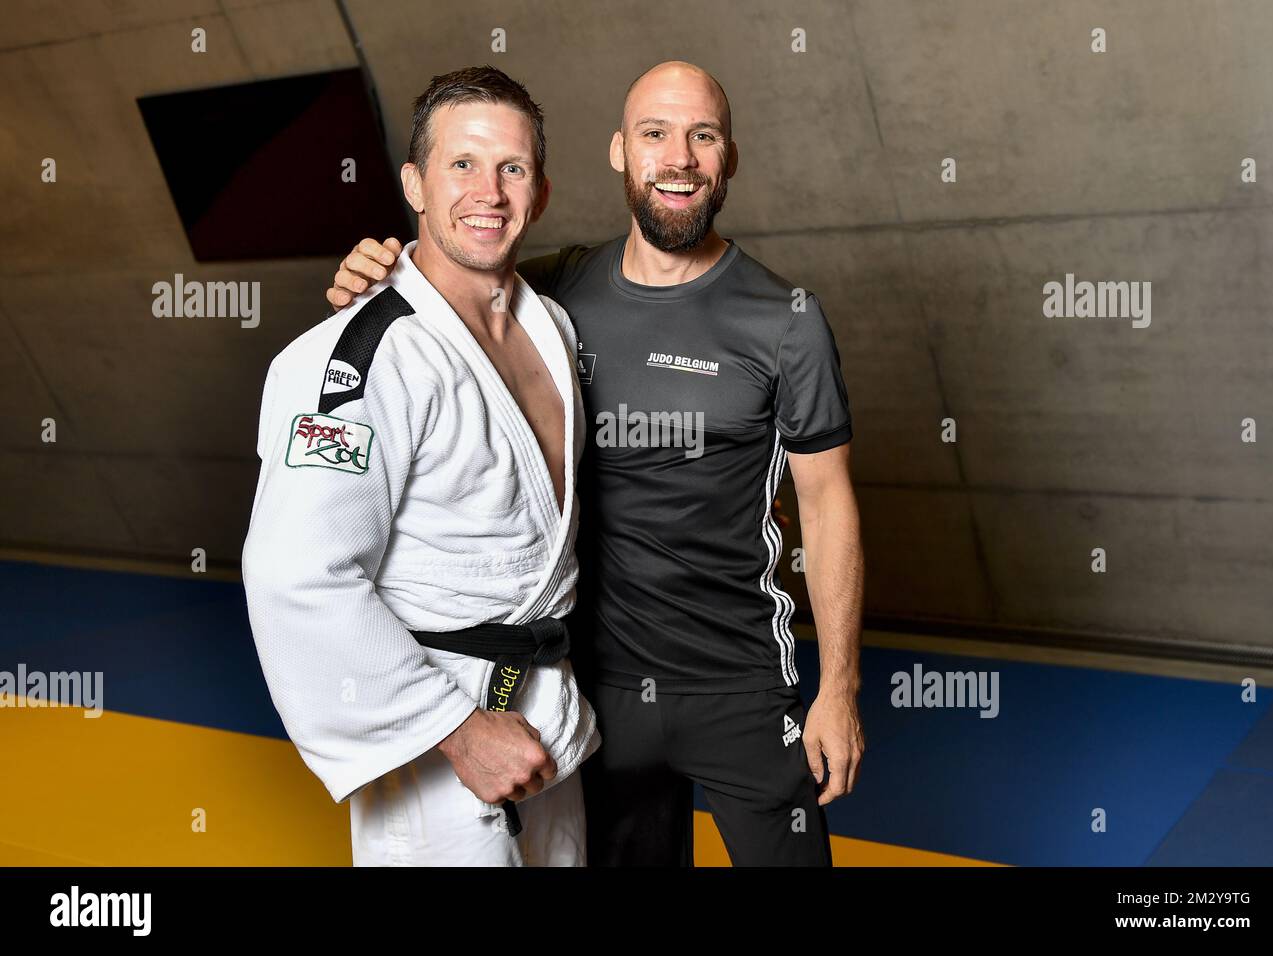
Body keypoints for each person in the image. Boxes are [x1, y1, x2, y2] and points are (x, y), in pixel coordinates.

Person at [327, 61, 864, 867]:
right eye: (655, 134)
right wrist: (378, 269)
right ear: (620, 152)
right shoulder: (553, 294)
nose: (678, 156)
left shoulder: (785, 321)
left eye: (703, 136)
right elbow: (449, 280)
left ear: (730, 158)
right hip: (596, 694)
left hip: (744, 690)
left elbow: (827, 509)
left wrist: (840, 690)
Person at [242, 65, 599, 866]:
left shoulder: (556, 332)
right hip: (439, 744)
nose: (489, 192)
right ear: (415, 184)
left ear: (539, 192)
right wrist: (458, 733)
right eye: (462, 165)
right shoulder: (358, 355)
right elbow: (296, 572)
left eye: (513, 168)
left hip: (546, 721)